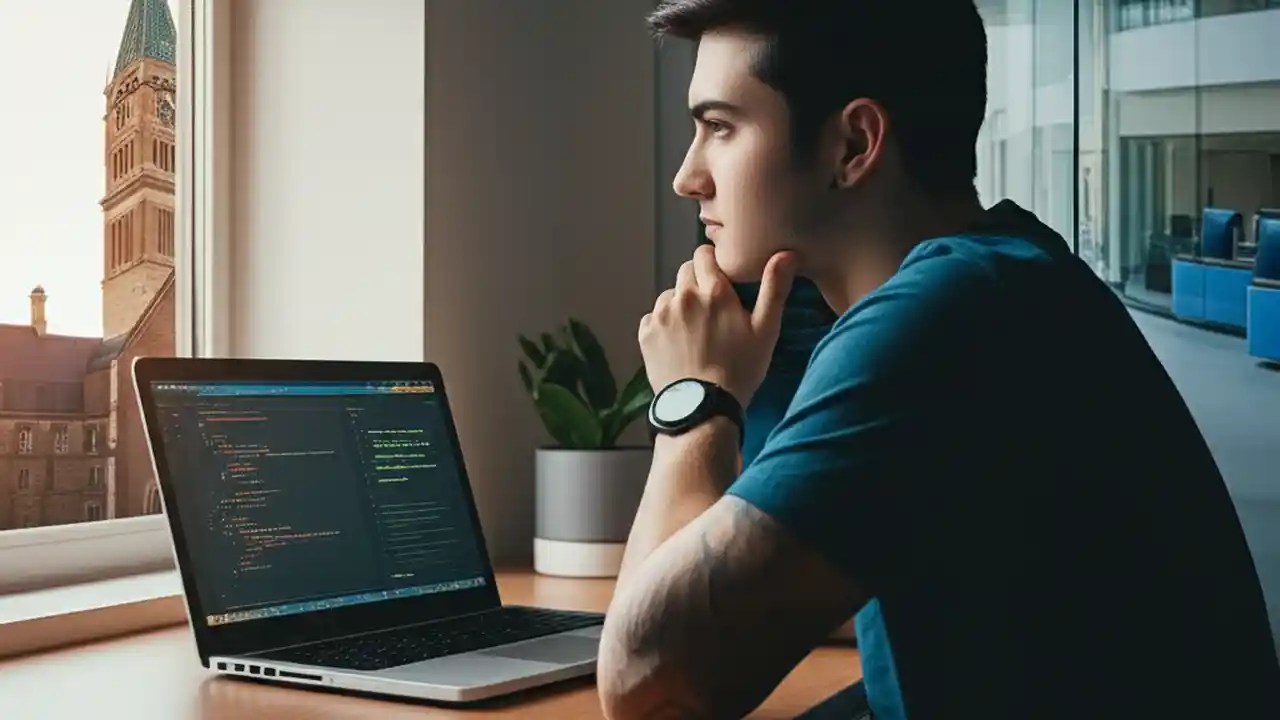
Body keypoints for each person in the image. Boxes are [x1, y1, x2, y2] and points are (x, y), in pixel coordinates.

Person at [596, 1, 1280, 719]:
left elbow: (647, 690)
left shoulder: (946, 315)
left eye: (720, 128)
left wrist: (697, 399)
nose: (687, 175)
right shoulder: (1006, 275)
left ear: (855, 144)